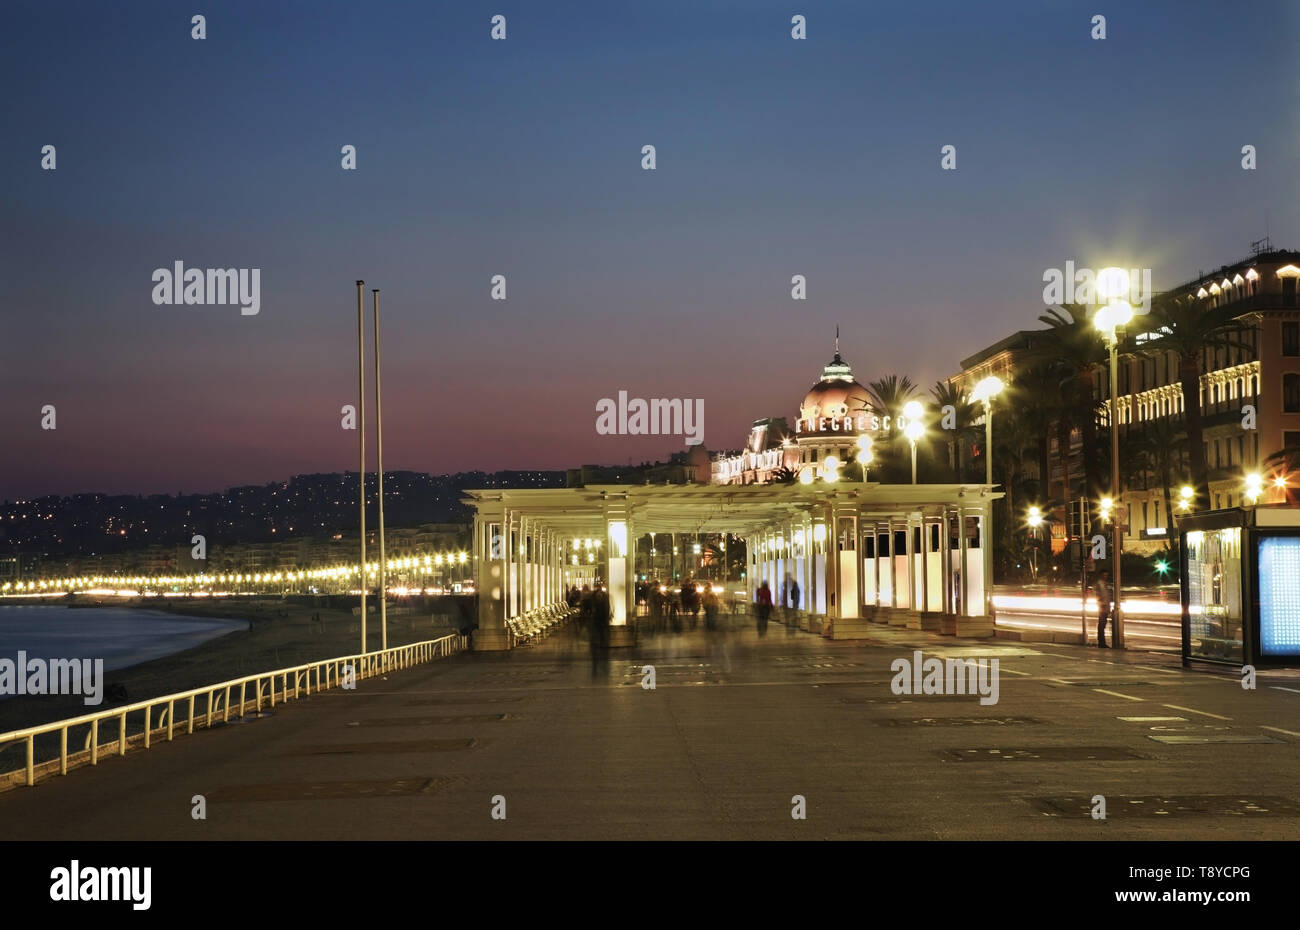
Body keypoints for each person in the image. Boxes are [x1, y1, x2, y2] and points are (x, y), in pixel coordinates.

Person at [1095, 570, 1112, 648]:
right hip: (1102, 607)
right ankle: (1101, 642)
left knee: (1103, 625)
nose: (1105, 577)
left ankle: (1102, 642)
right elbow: (1098, 595)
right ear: (1101, 575)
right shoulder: (1099, 584)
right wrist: (1102, 604)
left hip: (1106, 607)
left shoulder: (1105, 584)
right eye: (1104, 575)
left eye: (1106, 575)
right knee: (1101, 625)